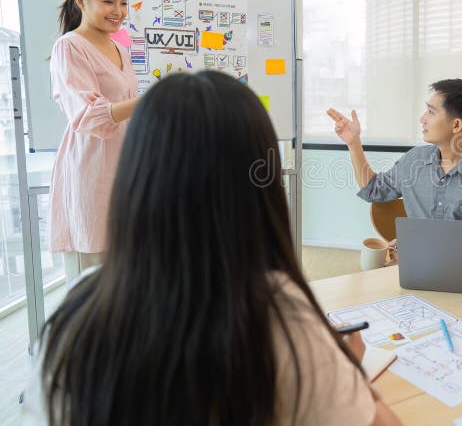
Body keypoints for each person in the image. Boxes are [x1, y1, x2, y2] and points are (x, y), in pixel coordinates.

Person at [24, 71, 401, 425]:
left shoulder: (77, 307)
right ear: (260, 185)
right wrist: (349, 373)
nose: (419, 118)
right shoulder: (284, 322)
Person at [327, 79, 462, 255]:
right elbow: (373, 190)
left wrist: (415, 245)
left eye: (431, 112)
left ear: (456, 125)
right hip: (413, 264)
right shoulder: (415, 160)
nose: (422, 119)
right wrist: (353, 142)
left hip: (460, 274)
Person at [49, 0, 140, 285]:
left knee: (127, 275)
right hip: (92, 168)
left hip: (125, 168)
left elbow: (124, 111)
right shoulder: (69, 47)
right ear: (80, 1)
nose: (119, 11)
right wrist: (151, 100)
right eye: (108, 1)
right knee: (95, 281)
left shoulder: (120, 48)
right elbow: (88, 116)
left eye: (124, 2)